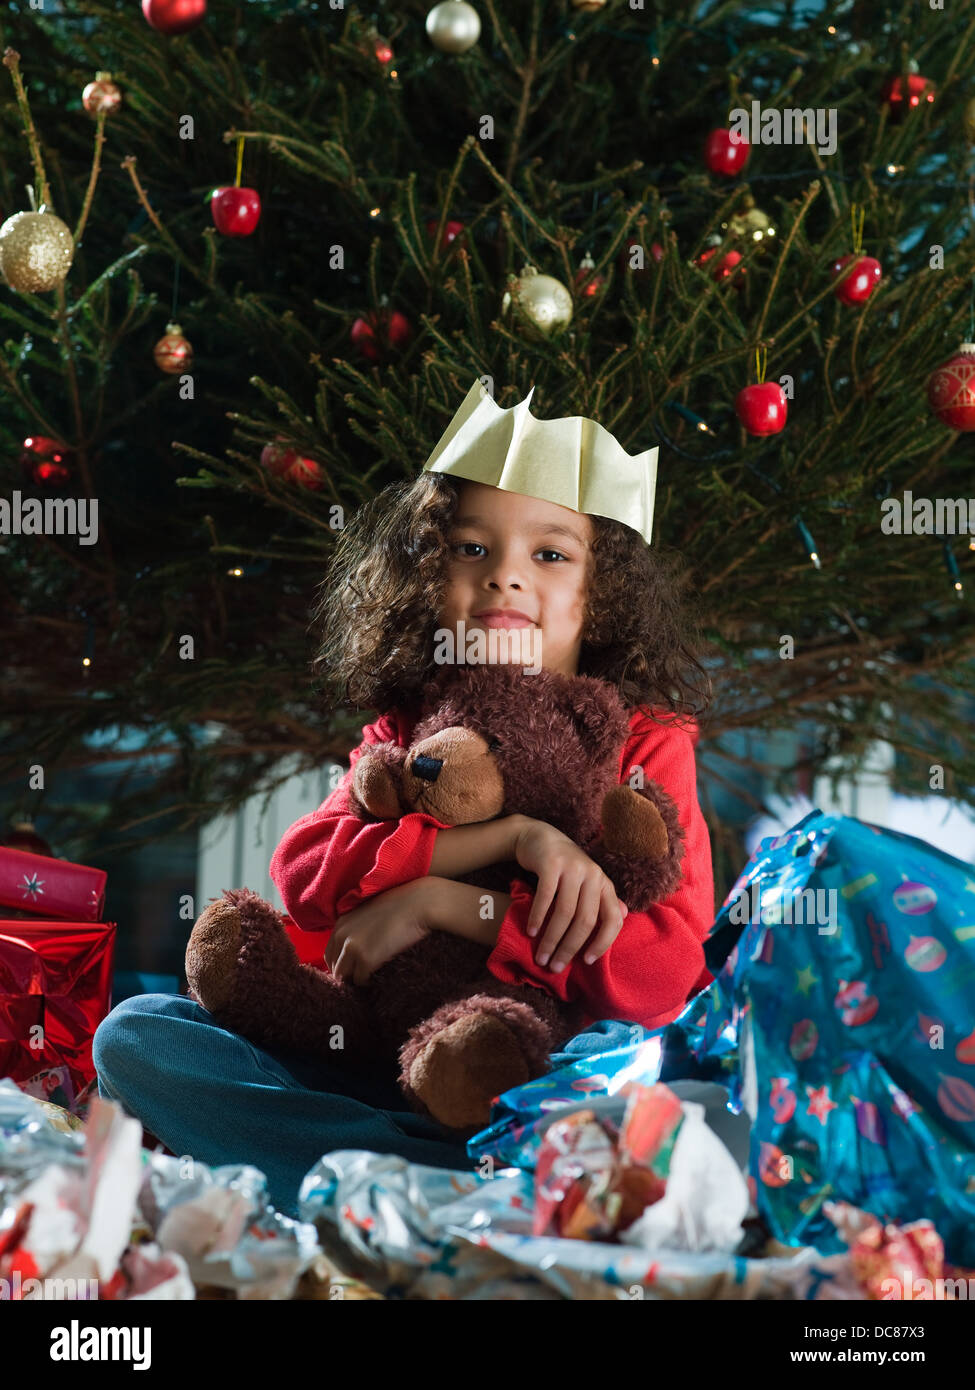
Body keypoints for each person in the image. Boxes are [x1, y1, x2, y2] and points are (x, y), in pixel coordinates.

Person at [93, 380, 716, 1220]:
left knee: (633, 1077)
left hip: (533, 1075)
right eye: (471, 549)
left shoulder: (647, 742)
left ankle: (367, 1174)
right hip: (374, 1048)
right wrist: (521, 837)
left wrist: (449, 906)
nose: (504, 577)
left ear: (597, 598)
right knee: (140, 1035)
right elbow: (305, 874)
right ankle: (429, 1186)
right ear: (432, 575)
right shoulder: (406, 729)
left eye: (550, 554)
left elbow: (658, 974)